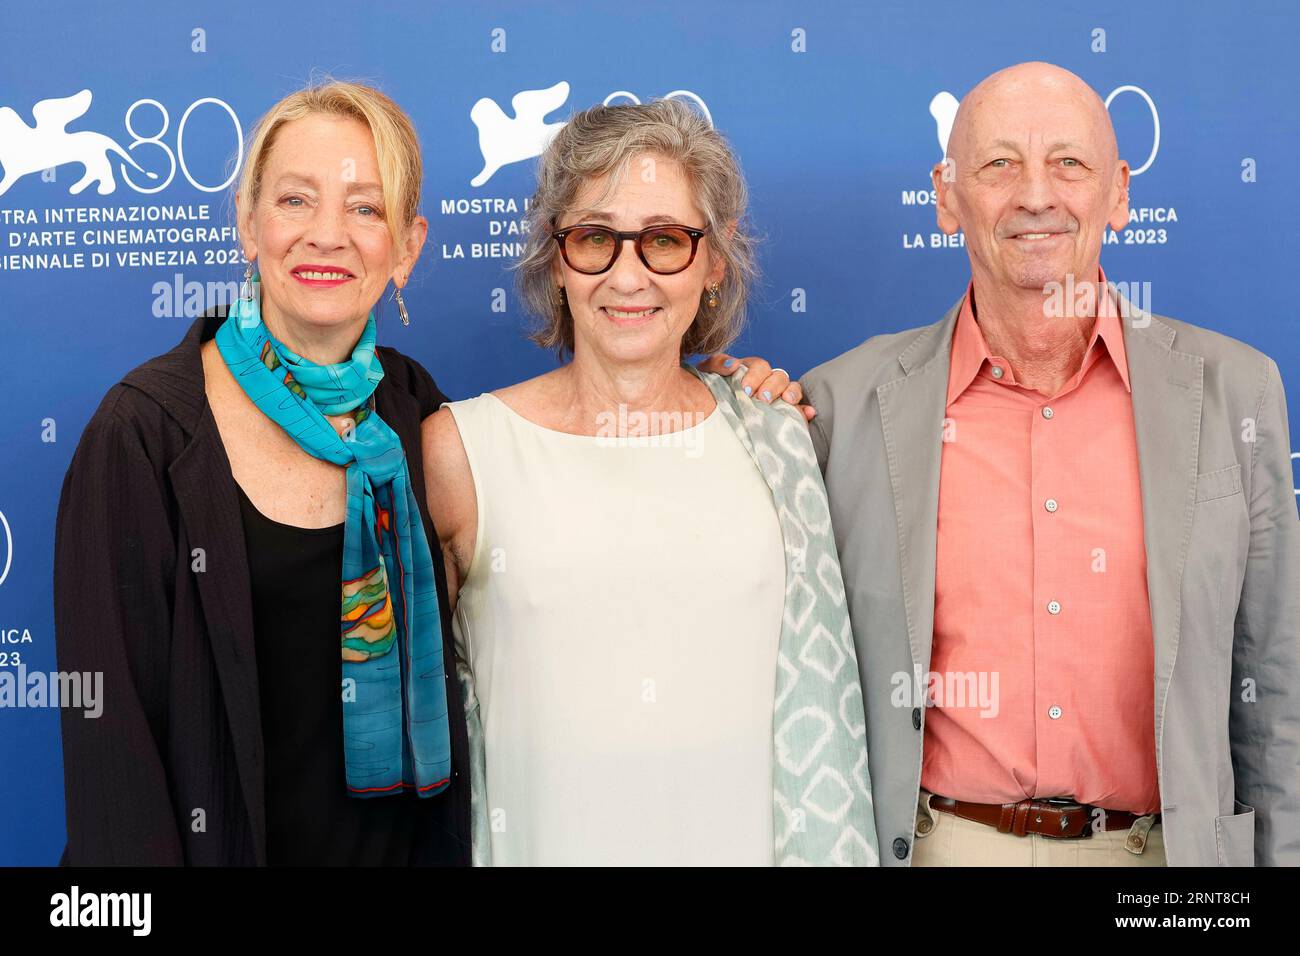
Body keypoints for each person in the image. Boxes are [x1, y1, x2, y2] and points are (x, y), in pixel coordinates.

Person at [53, 80, 799, 866]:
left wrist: (738, 386)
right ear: (247, 224)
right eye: (295, 200)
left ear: (408, 247)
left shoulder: (413, 414)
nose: (327, 235)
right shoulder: (146, 436)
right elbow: (113, 766)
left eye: (365, 208)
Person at [798, 61, 1300, 866]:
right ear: (946, 195)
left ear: (1121, 193)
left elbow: (1276, 686)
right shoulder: (842, 402)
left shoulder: (1236, 389)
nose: (1036, 194)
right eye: (999, 164)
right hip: (940, 847)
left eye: (1069, 162)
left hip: (1164, 862)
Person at [425, 98, 878, 866]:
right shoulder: (461, 450)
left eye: (664, 240)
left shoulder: (778, 440)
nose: (628, 276)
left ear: (713, 263)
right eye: (596, 238)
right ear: (555, 258)